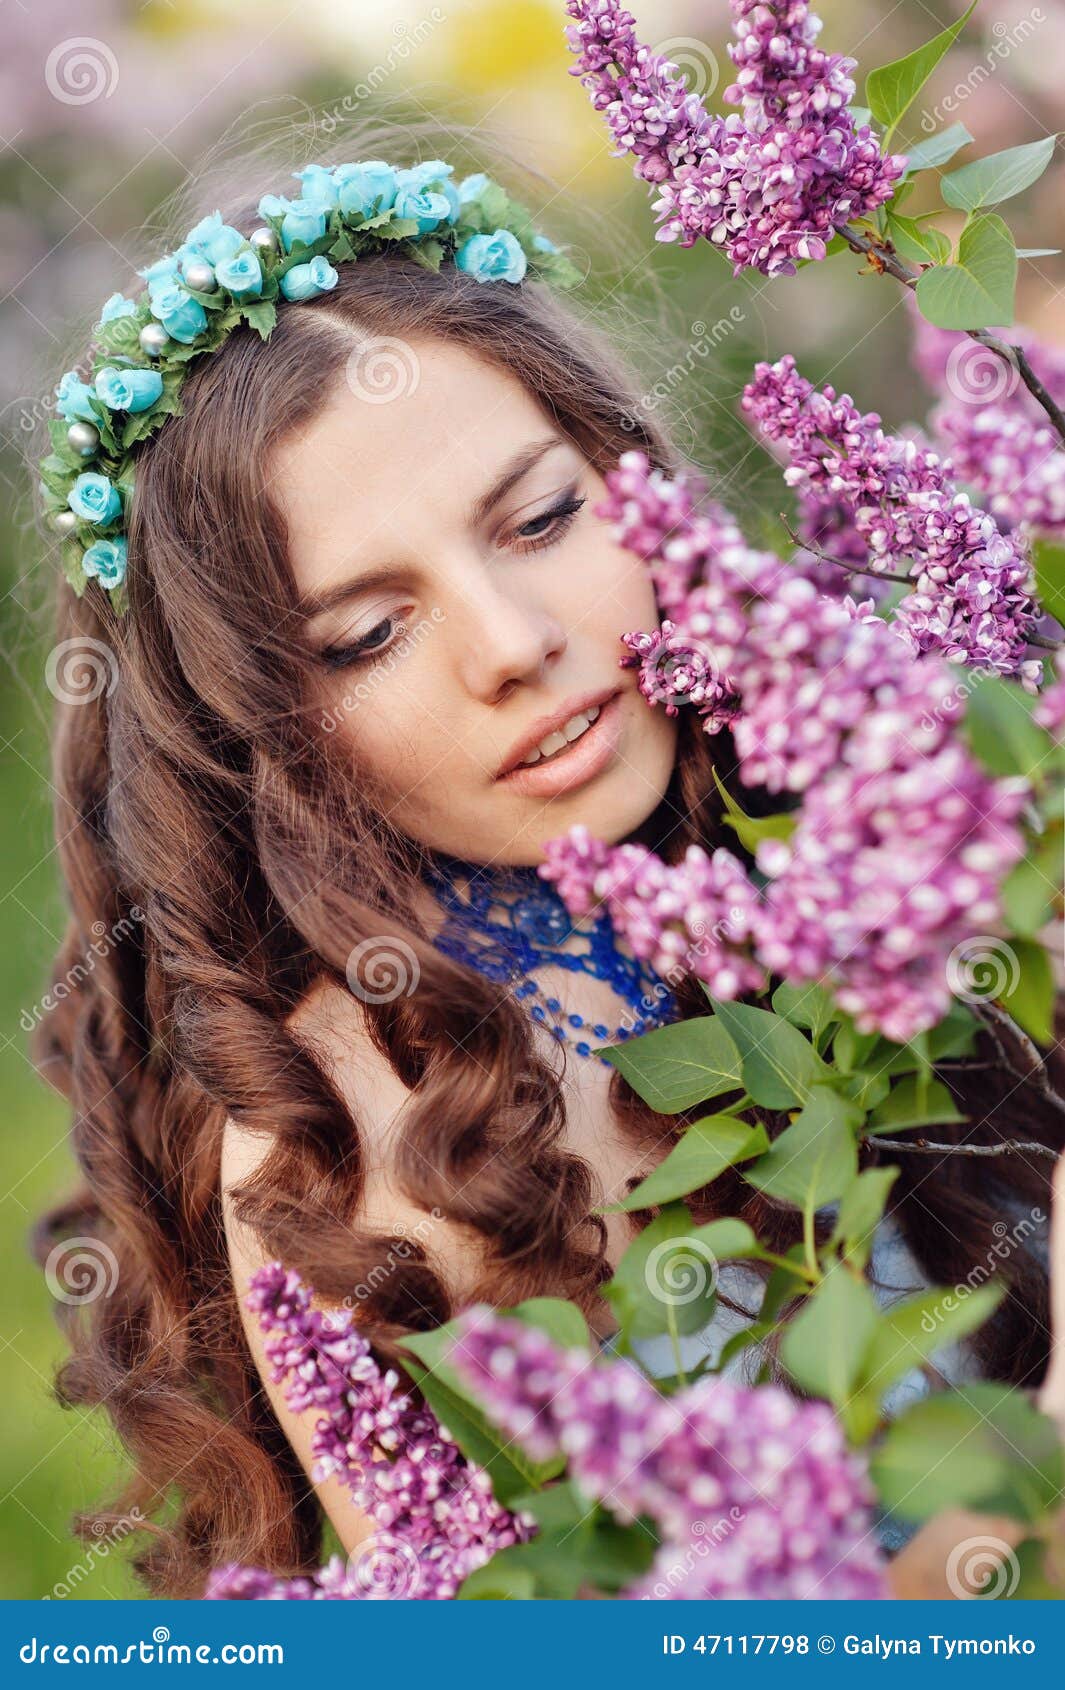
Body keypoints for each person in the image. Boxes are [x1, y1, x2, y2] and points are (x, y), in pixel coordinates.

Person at [27, 117, 1063, 1600]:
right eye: (367, 634)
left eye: (542, 516)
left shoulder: (873, 794)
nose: (515, 646)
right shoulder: (377, 1123)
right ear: (254, 724)